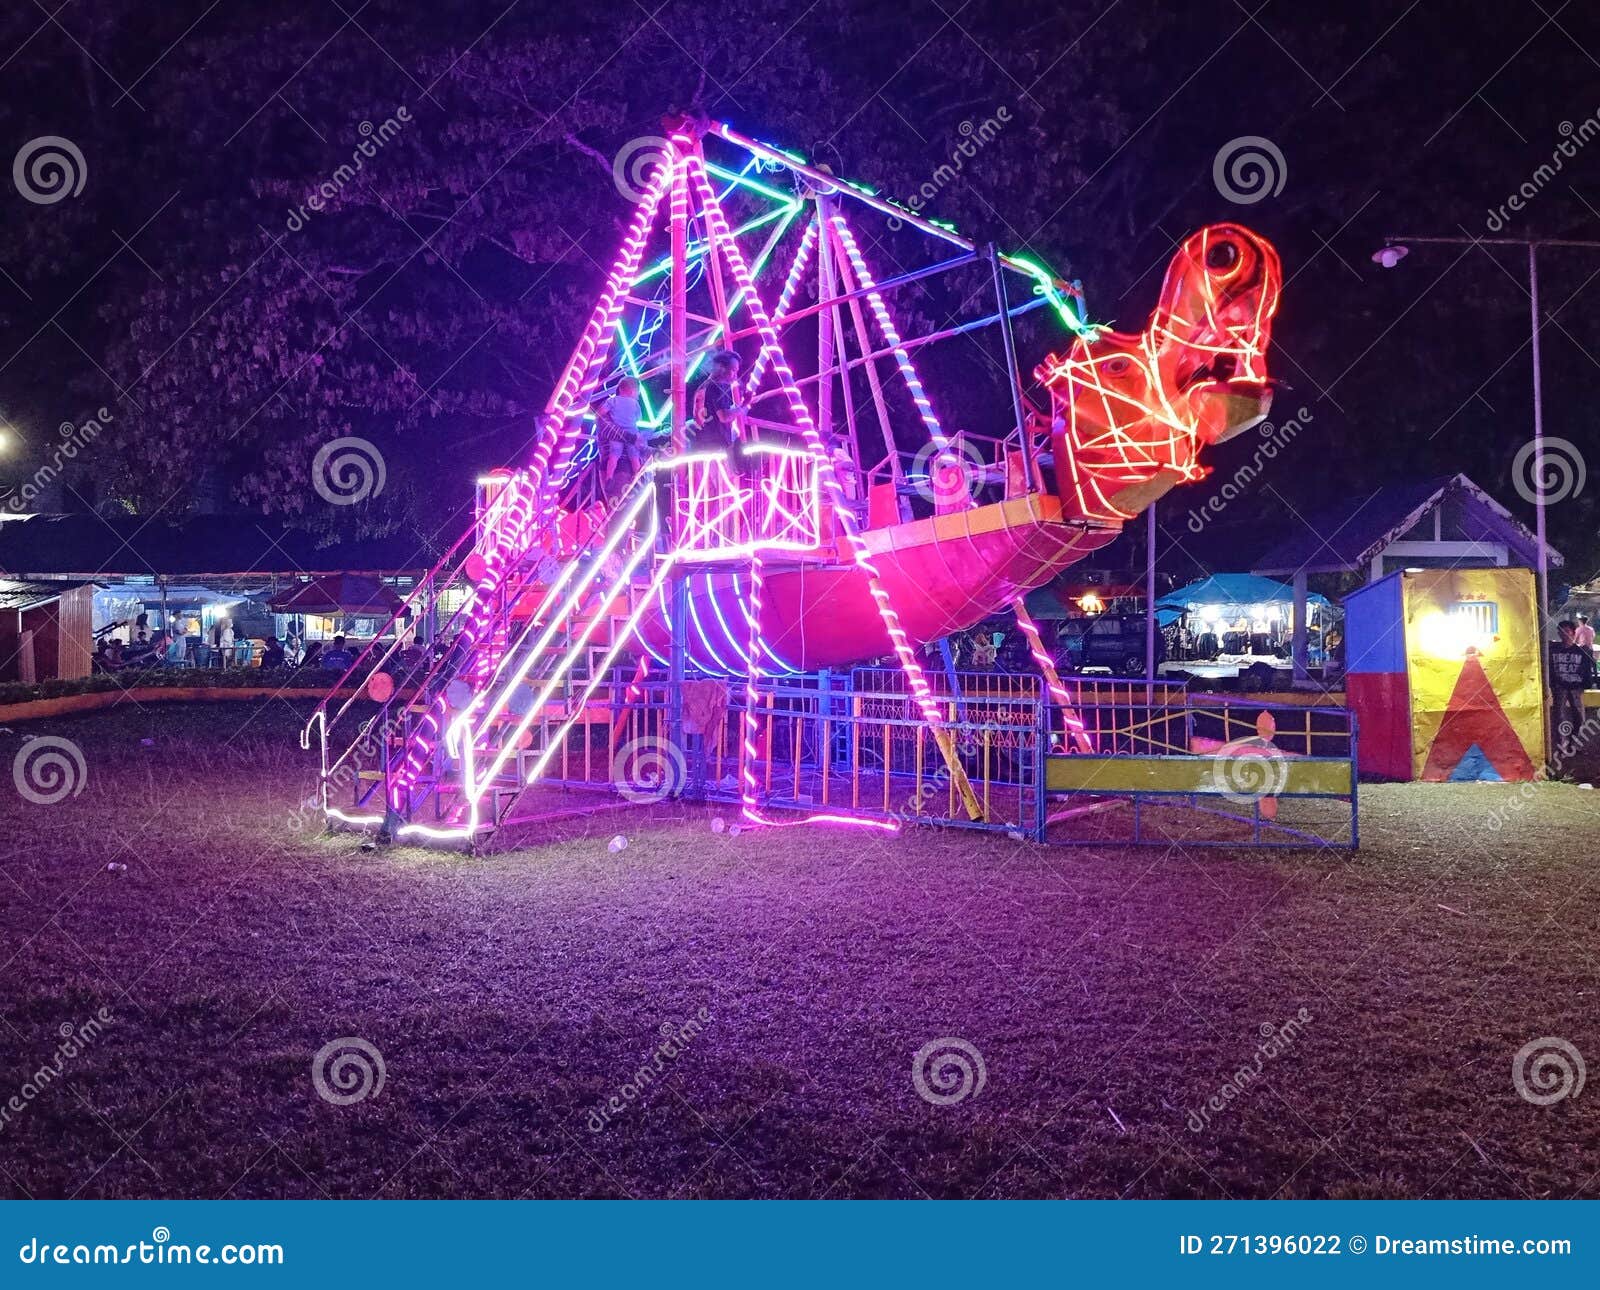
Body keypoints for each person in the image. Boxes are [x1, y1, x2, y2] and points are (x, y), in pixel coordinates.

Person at [597, 377, 648, 494]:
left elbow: (600, 413)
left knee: (614, 456)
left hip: (616, 437)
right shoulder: (635, 403)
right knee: (634, 457)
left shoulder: (612, 401)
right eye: (638, 393)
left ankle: (609, 477)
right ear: (632, 391)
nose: (638, 396)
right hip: (631, 435)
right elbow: (638, 418)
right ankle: (638, 478)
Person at [1549, 620, 1596, 747]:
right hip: (1560, 686)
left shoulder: (1581, 651)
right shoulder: (1553, 650)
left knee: (1579, 716)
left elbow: (1586, 669)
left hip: (1576, 686)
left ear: (1573, 633)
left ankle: (1574, 742)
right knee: (1559, 715)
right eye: (1561, 631)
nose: (1563, 634)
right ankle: (1562, 743)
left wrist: (1585, 683)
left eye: (1567, 631)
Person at [689, 350, 743, 458]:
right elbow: (724, 417)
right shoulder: (718, 387)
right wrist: (743, 406)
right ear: (721, 368)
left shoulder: (703, 387)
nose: (735, 376)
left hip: (702, 445)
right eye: (733, 370)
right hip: (717, 447)